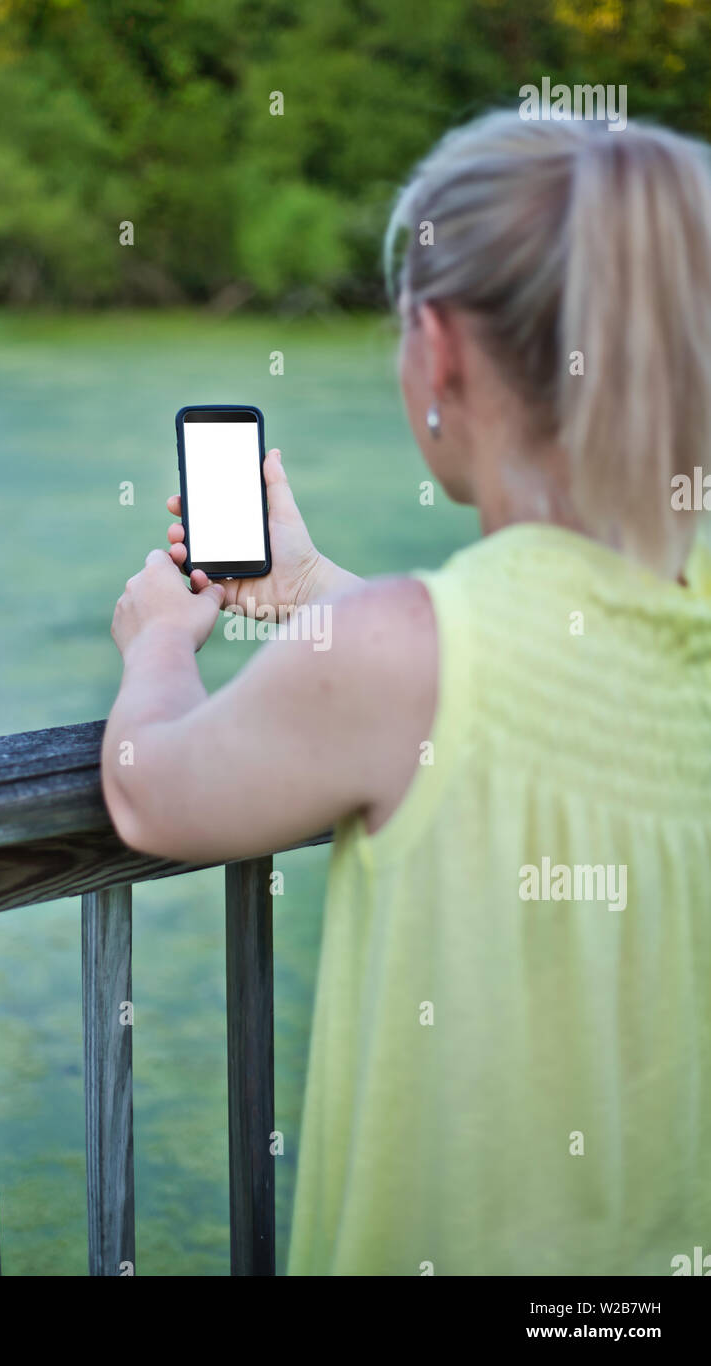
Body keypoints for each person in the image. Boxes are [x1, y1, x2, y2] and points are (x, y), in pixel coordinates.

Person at [101, 110, 711, 1276]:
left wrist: (156, 649)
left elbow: (149, 796)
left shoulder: (394, 658)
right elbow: (535, 649)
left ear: (437, 352)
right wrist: (313, 588)